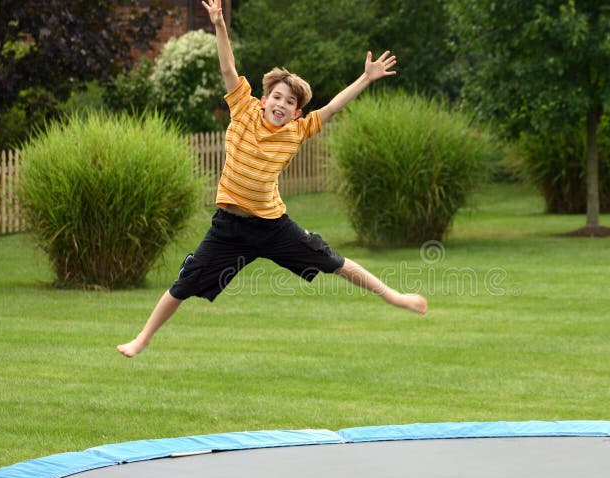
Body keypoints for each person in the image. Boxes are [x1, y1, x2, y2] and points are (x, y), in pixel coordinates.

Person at [117, 0, 427, 357]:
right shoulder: (243, 109)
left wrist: (366, 78)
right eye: (276, 97)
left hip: (271, 226)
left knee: (332, 261)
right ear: (263, 100)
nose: (281, 104)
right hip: (229, 228)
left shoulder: (297, 131)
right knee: (184, 283)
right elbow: (228, 67)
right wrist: (219, 24)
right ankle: (143, 338)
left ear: (297, 111)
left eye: (289, 102)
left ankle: (395, 297)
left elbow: (332, 107)